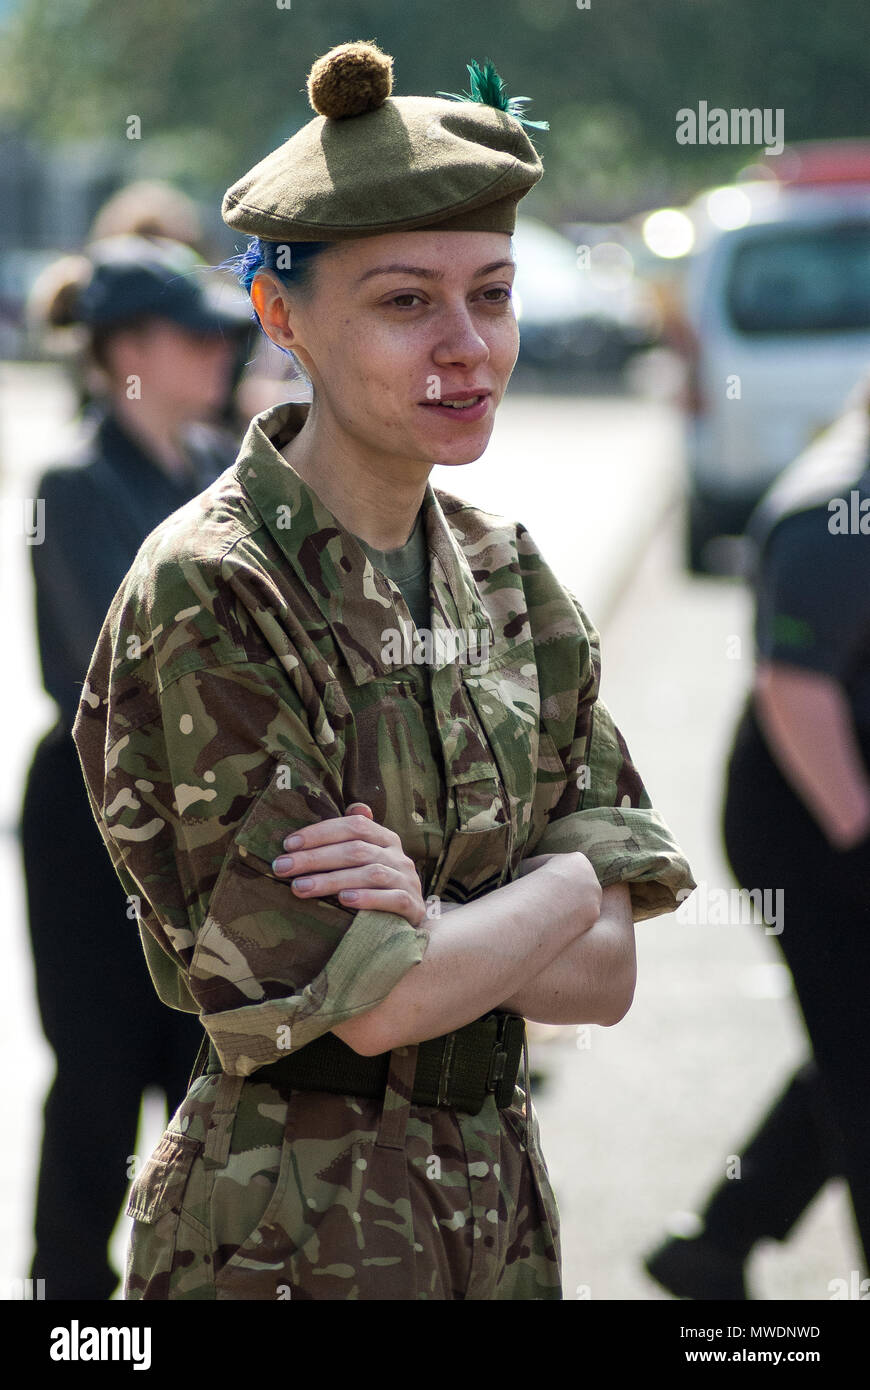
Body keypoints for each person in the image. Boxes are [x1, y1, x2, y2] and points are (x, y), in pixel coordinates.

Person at [72, 40, 696, 1301]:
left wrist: (442, 918)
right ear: (280, 313)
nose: (467, 346)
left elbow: (611, 975)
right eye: (407, 301)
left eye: (496, 294)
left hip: (498, 1212)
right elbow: (363, 1003)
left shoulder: (513, 581)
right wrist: (569, 879)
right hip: (289, 1233)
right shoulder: (216, 589)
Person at [21, 234, 250, 1299]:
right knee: (101, 1080)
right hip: (94, 814)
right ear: (129, 351)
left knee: (197, 1072)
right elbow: (123, 674)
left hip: (204, 818)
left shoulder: (216, 464)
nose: (225, 350)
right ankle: (68, 1301)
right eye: (200, 333)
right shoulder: (70, 484)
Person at [645, 383, 870, 1300]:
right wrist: (862, 843)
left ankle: (714, 1242)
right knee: (864, 1060)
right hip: (814, 823)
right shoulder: (836, 513)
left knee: (857, 1039)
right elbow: (794, 688)